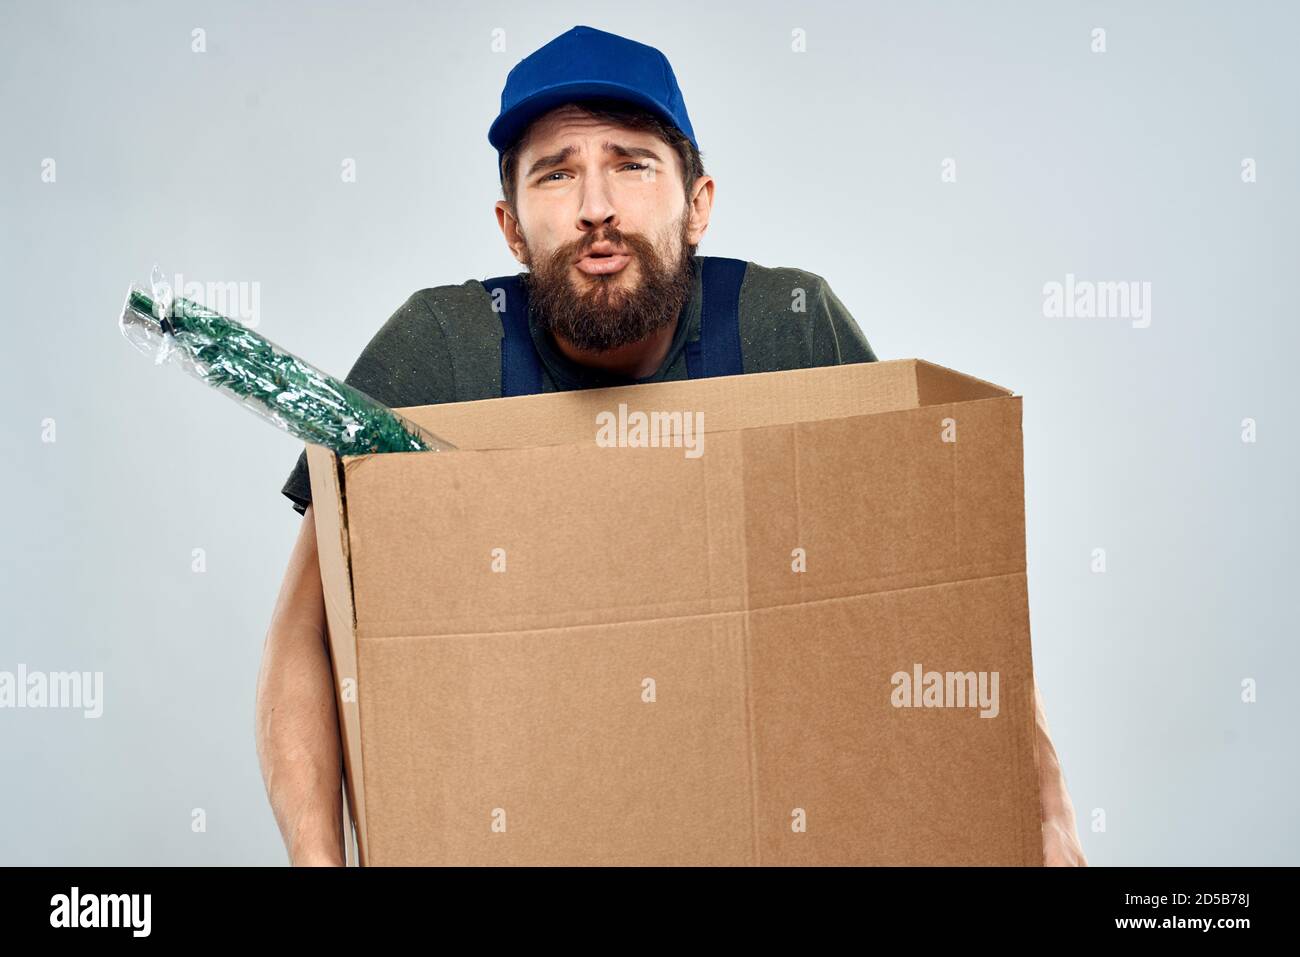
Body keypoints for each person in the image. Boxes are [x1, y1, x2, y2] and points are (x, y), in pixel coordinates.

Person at [255, 25, 1086, 867]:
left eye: (632, 163)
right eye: (556, 172)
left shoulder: (784, 331)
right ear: (511, 227)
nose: (595, 206)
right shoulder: (441, 351)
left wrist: (1044, 807)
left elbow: (943, 598)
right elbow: (305, 636)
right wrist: (318, 859)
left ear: (698, 204)